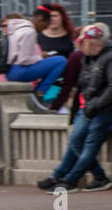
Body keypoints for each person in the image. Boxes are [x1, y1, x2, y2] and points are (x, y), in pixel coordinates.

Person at [37, 23, 112, 193]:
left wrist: (93, 103)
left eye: (85, 42)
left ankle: (71, 180)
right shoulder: (86, 57)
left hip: (101, 110)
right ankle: (96, 177)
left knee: (86, 144)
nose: (81, 46)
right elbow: (78, 83)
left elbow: (70, 84)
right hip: (88, 108)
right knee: (76, 141)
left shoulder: (103, 57)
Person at [4, 12, 66, 103]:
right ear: (40, 19)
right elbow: (23, 59)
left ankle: (40, 91)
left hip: (11, 71)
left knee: (51, 64)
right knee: (60, 61)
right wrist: (40, 57)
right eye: (45, 25)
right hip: (19, 71)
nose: (44, 29)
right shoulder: (29, 31)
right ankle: (40, 92)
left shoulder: (18, 29)